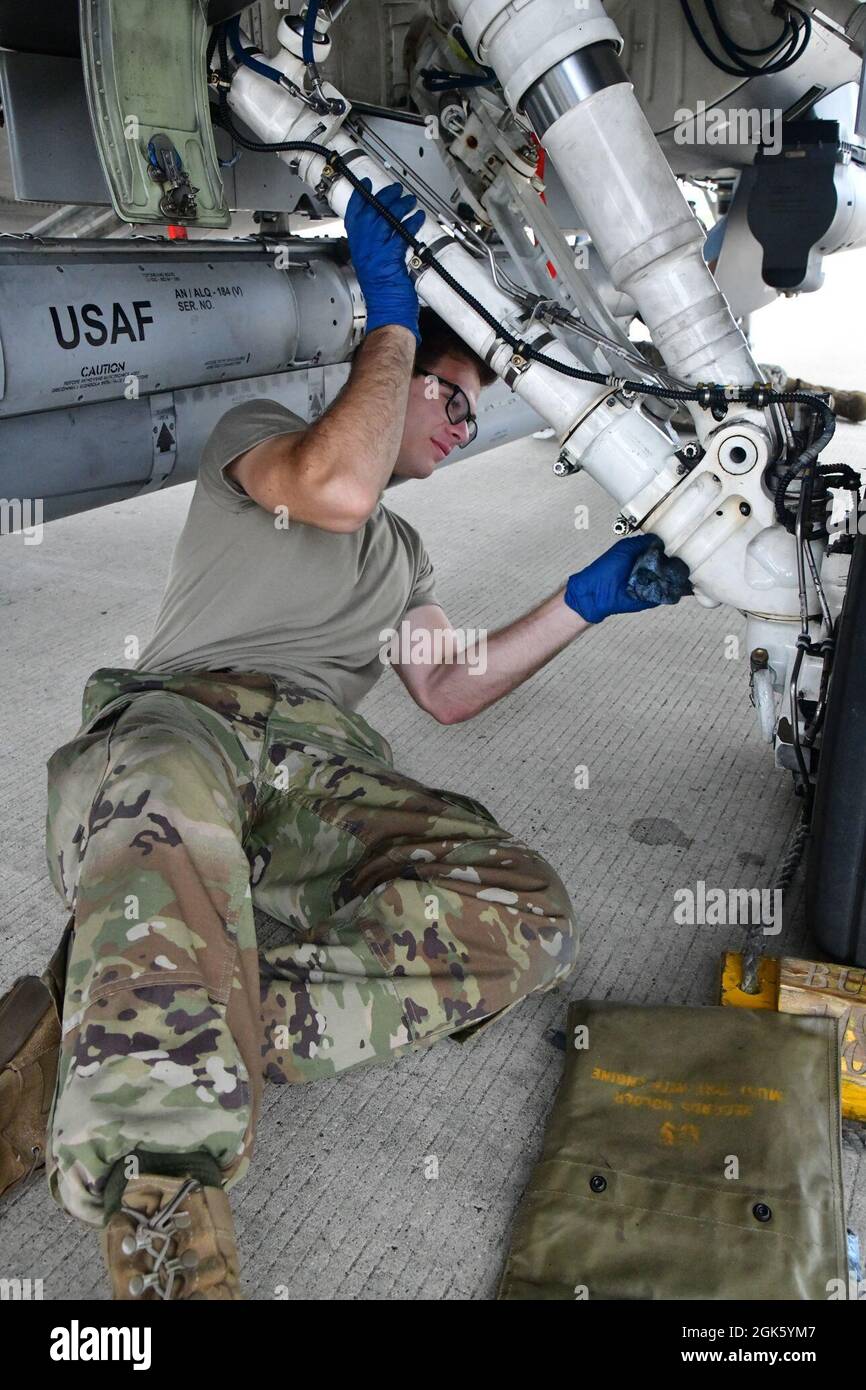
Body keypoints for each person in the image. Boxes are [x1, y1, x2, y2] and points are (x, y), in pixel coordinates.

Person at [0, 179, 681, 1300]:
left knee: (525, 911)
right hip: (186, 722)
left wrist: (586, 600)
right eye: (448, 399)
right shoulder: (264, 443)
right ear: (390, 373)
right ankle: (173, 1245)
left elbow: (448, 690)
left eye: (473, 415)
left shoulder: (404, 555)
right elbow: (335, 480)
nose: (462, 428)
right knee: (165, 790)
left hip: (318, 772)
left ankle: (120, 1034)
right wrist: (391, 311)